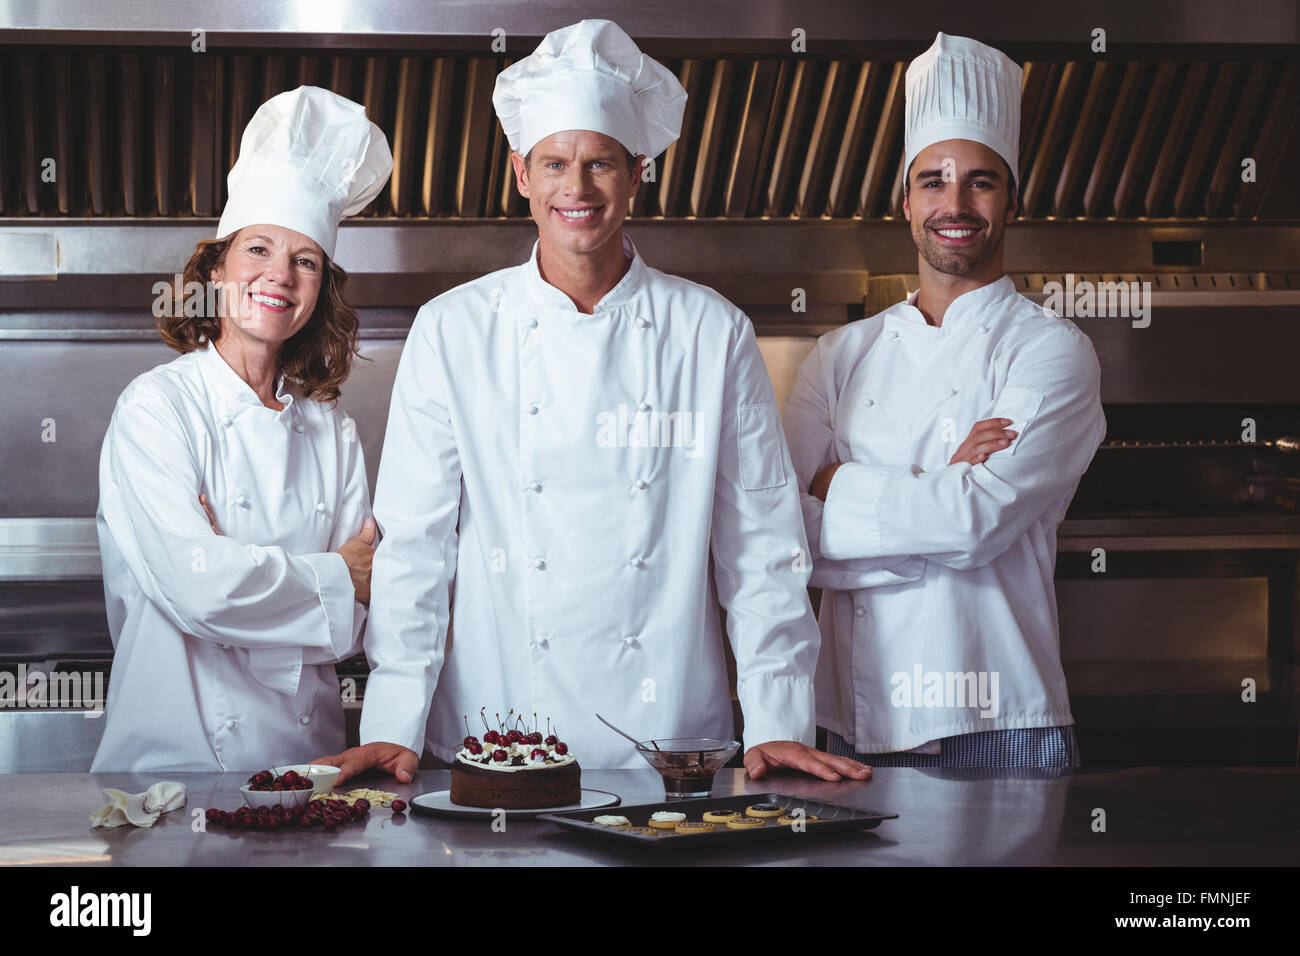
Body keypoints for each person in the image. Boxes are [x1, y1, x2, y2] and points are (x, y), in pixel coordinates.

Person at [318, 19, 869, 783]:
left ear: (637, 172)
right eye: (554, 164)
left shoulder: (710, 332)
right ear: (521, 175)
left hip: (668, 735)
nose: (576, 190)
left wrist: (776, 718)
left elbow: (762, 543)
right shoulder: (454, 330)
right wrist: (392, 719)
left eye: (600, 164)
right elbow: (415, 547)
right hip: (497, 734)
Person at [784, 33, 1106, 769]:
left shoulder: (1051, 351)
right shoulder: (839, 355)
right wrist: (939, 490)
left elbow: (974, 521)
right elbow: (784, 535)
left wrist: (836, 487)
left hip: (998, 723)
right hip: (845, 728)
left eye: (981, 182)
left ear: (1013, 200)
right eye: (933, 180)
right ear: (905, 201)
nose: (954, 203)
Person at [92, 87, 393, 772]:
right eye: (259, 249)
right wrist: (330, 575)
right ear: (216, 267)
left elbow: (355, 618)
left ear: (320, 291)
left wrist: (248, 571)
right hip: (173, 768)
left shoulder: (332, 428)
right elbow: (201, 588)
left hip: (309, 771)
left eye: (306, 260)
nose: (279, 276)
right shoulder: (156, 409)